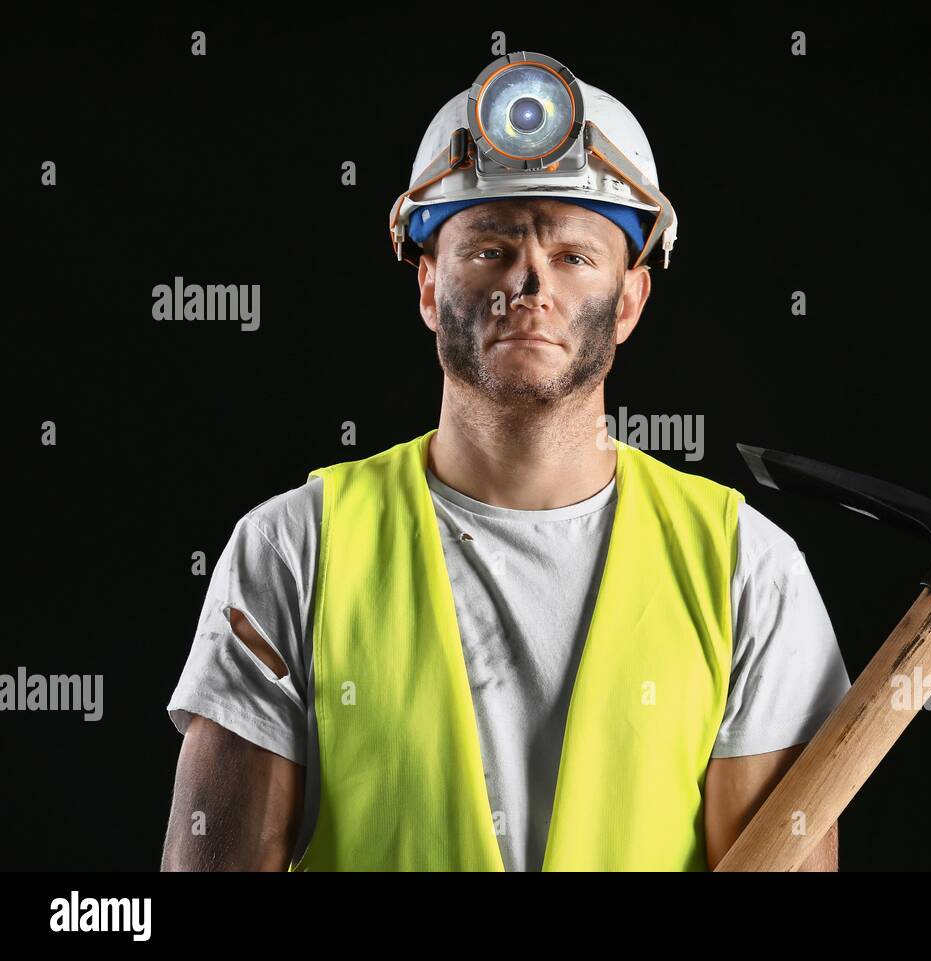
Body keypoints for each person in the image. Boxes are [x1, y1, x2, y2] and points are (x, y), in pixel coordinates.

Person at [161, 52, 851, 872]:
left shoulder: (744, 566)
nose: (529, 283)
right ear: (427, 288)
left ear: (629, 300)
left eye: (574, 256)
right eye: (489, 249)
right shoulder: (293, 548)